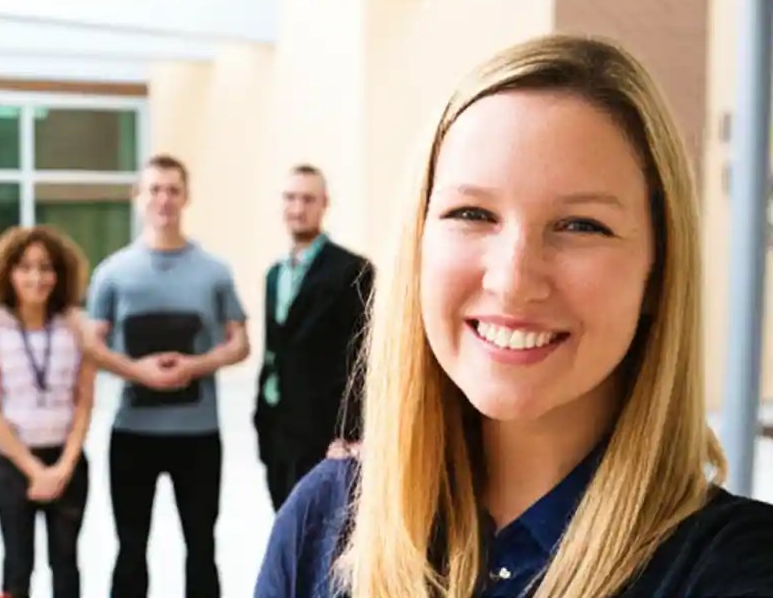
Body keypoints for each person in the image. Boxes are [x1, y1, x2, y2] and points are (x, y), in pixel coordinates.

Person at [255, 34, 773, 598]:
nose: (512, 280)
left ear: (659, 270)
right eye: (472, 213)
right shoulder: (323, 521)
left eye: (581, 225)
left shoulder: (735, 569)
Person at [82, 154, 250, 598]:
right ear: (137, 197)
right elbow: (92, 345)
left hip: (198, 435)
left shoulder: (214, 271)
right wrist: (136, 371)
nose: (164, 199)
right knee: (130, 548)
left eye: (173, 190)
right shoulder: (112, 273)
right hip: (133, 435)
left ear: (186, 197)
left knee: (200, 546)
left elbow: (241, 343)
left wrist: (195, 366)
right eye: (154, 189)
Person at [0, 226, 98, 598]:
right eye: (25, 268)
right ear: (7, 273)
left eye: (45, 268)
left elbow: (84, 403)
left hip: (67, 462)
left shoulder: (76, 326)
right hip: (15, 465)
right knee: (17, 565)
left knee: (66, 564)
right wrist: (34, 470)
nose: (36, 277)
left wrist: (62, 467)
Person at [254, 164, 374, 510]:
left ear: (324, 204)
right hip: (278, 430)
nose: (297, 207)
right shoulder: (275, 275)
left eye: (307, 199)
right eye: (290, 198)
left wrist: (353, 432)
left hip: (328, 432)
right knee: (286, 528)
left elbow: (365, 356)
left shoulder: (352, 271)